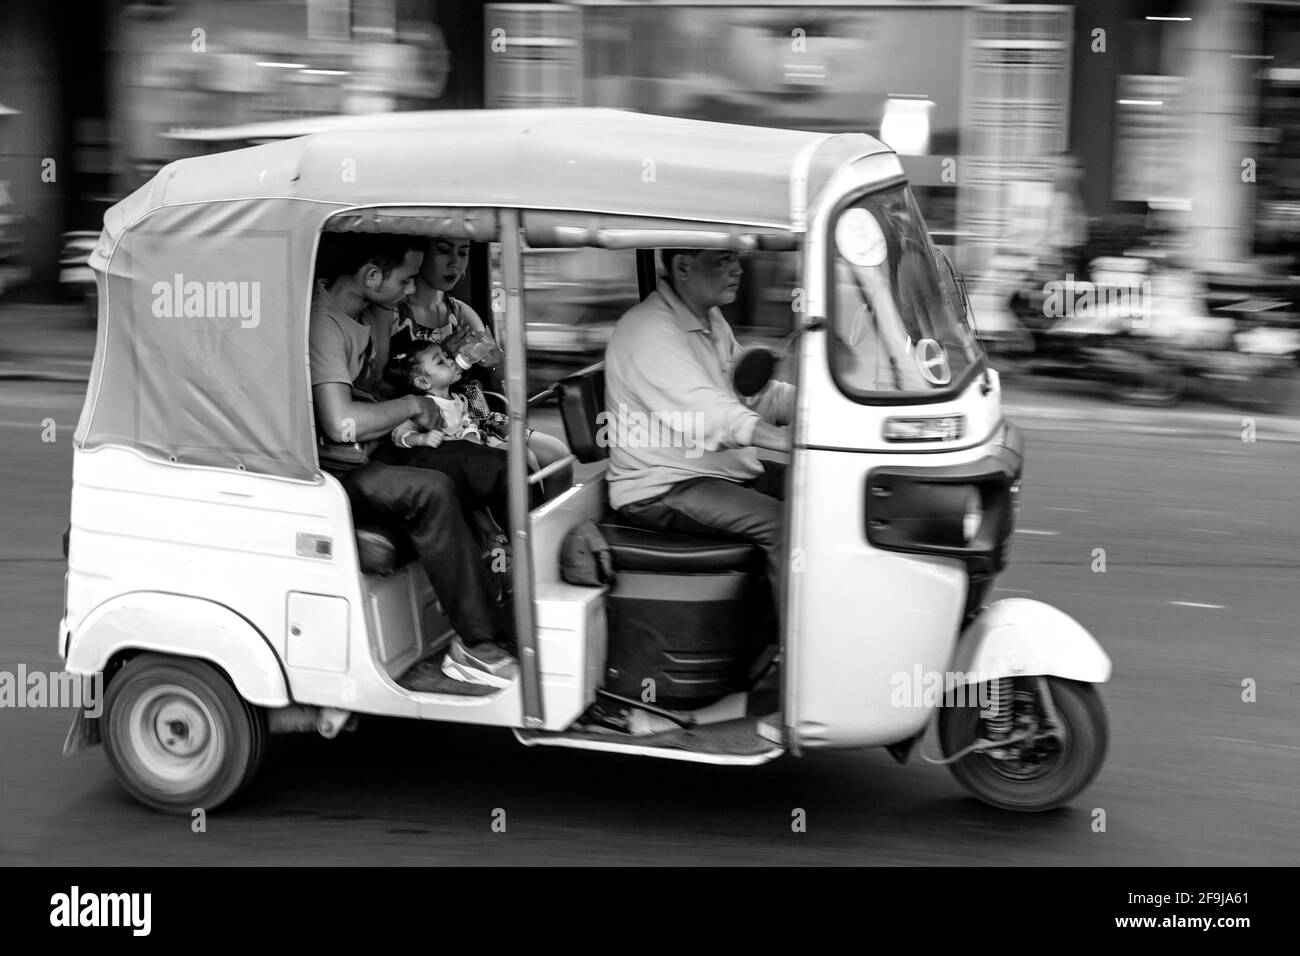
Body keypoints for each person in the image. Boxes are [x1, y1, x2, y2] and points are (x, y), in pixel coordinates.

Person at [309, 232, 517, 689]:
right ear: (371, 276)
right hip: (344, 468)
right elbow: (342, 423)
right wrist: (409, 408)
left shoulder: (369, 309)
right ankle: (476, 648)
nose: (410, 291)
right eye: (404, 280)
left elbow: (381, 374)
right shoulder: (325, 324)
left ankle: (519, 606)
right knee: (434, 490)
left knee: (497, 466)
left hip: (382, 446)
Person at [604, 248, 796, 613]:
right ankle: (797, 652)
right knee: (785, 526)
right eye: (723, 259)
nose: (738, 268)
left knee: (814, 488)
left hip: (717, 469)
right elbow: (707, 413)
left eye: (735, 258)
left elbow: (747, 397)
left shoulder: (711, 321)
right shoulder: (648, 331)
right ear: (683, 267)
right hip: (663, 485)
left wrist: (814, 407)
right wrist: (785, 441)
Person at [385, 236, 573, 497]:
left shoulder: (461, 314)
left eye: (463, 253)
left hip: (477, 410)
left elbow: (499, 383)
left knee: (557, 455)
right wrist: (446, 353)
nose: (455, 263)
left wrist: (496, 364)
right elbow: (383, 386)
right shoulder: (394, 316)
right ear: (420, 256)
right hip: (436, 424)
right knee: (522, 460)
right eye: (443, 251)